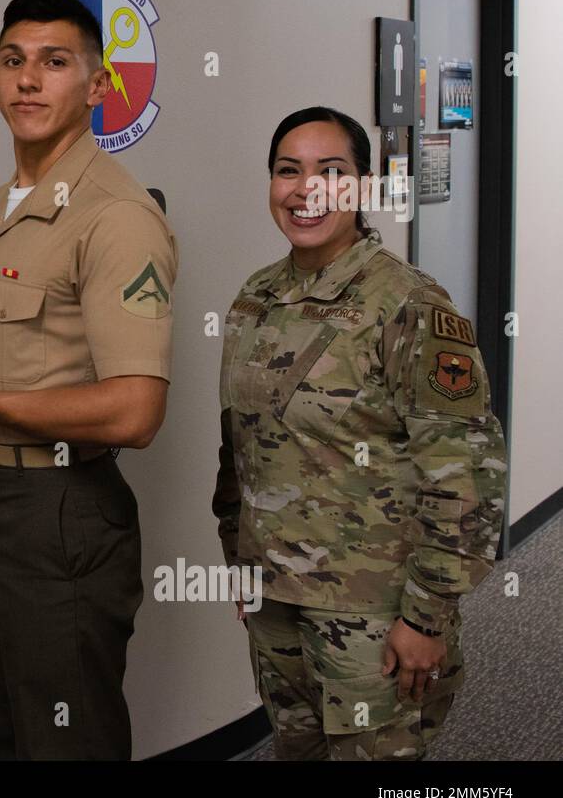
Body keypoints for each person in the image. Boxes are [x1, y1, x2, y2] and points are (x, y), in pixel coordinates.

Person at [0, 0, 178, 759]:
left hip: (61, 512)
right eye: (13, 61)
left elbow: (134, 412)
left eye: (54, 62)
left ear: (97, 84)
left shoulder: (114, 215)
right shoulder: (2, 204)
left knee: (66, 745)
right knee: (7, 740)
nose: (27, 80)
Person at [212, 106, 507, 760]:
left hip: (375, 617)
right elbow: (240, 447)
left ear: (362, 188)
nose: (305, 188)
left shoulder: (408, 304)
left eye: (331, 170)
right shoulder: (253, 300)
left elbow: (467, 473)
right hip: (275, 601)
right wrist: (241, 559)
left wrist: (427, 615)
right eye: (288, 170)